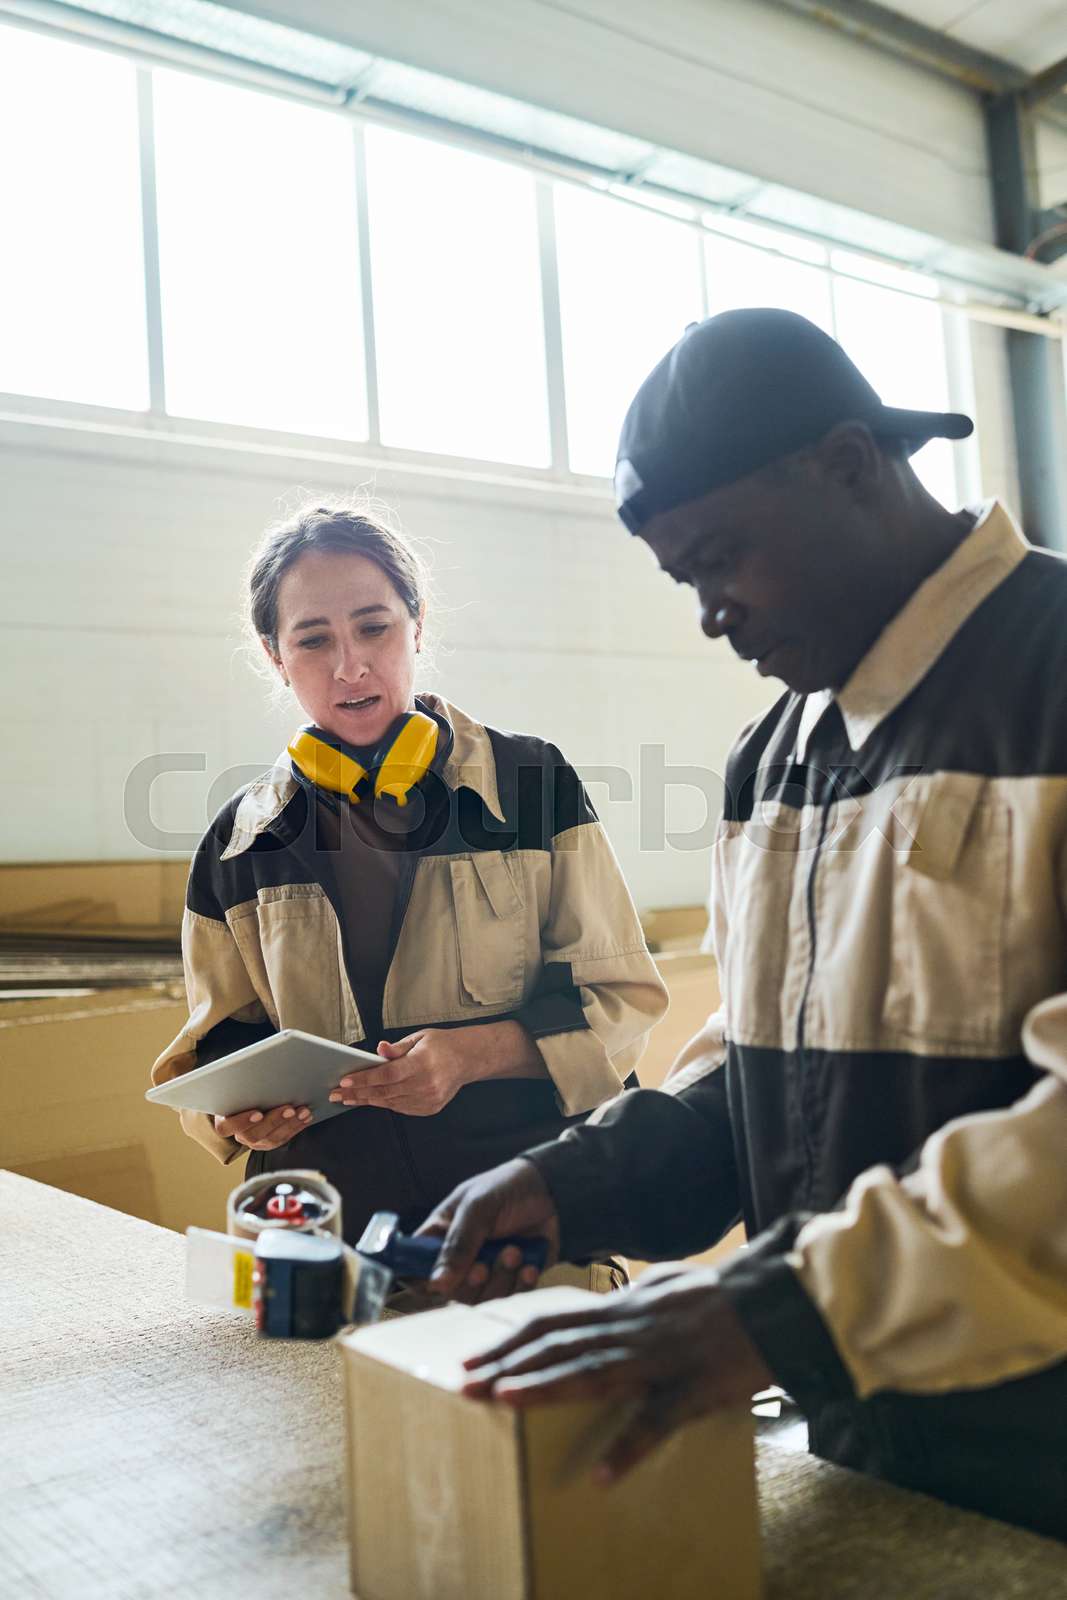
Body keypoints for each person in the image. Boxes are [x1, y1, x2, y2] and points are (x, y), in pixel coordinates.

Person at [415, 310, 1067, 1541]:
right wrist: (580, 1177)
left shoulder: (1051, 678)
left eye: (722, 556)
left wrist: (774, 1317)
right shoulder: (772, 760)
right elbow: (768, 1067)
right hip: (861, 1454)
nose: (710, 613)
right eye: (684, 581)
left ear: (847, 463)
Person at [151, 500, 667, 1259]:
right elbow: (213, 1056)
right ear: (274, 655)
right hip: (330, 1235)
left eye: (374, 626)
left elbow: (621, 1003)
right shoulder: (238, 845)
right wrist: (238, 1115)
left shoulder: (531, 783)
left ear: (417, 626)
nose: (350, 665)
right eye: (313, 640)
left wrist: (475, 1055)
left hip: (523, 1222)